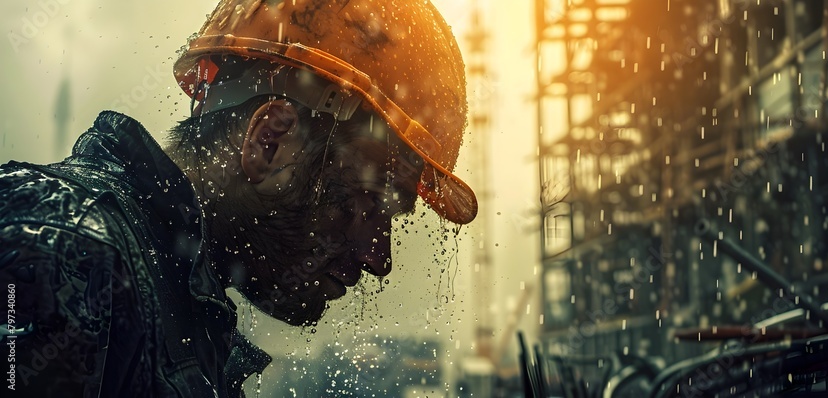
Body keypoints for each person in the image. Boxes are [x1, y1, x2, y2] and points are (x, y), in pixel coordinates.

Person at [0, 0, 477, 396]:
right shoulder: (63, 251)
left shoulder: (164, 294)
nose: (379, 257)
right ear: (269, 143)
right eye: (368, 202)